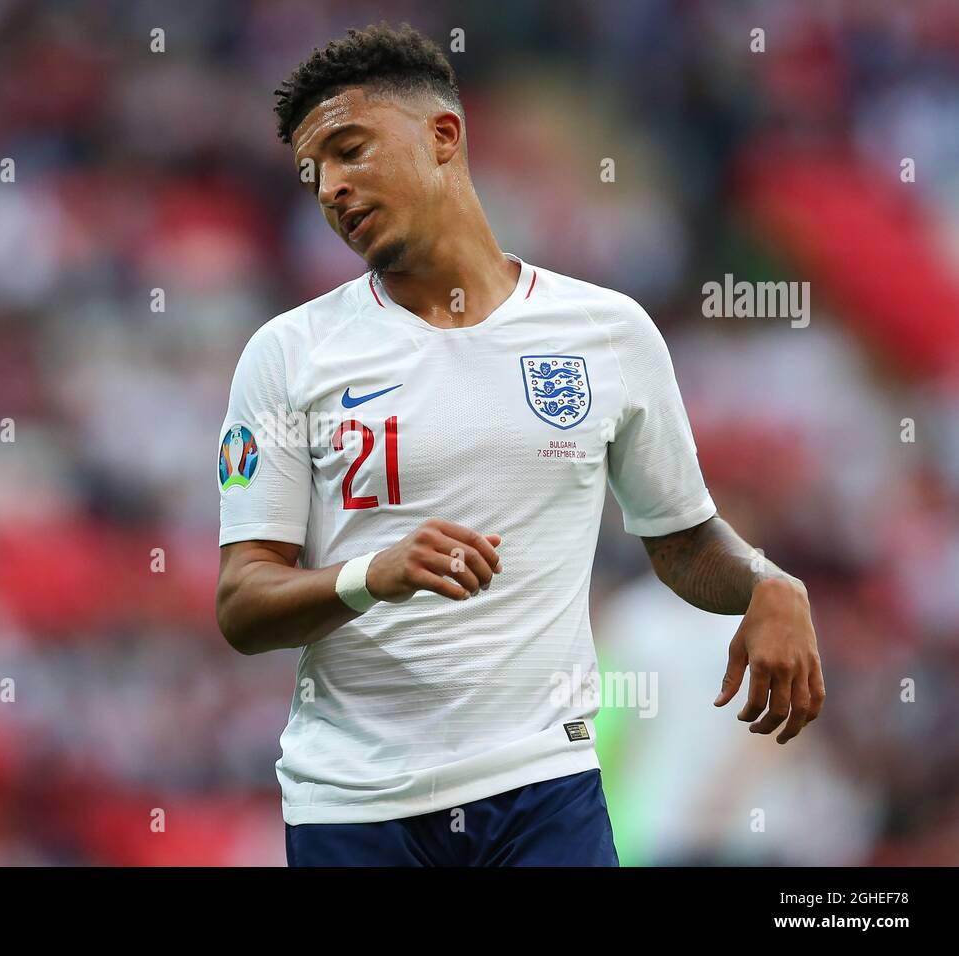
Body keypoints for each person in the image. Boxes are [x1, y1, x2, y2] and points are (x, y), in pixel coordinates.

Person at [214, 22, 823, 867]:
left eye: (351, 150)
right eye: (315, 174)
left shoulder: (607, 333)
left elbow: (680, 542)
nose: (333, 189)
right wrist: (370, 577)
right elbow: (241, 604)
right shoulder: (287, 354)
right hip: (352, 804)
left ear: (443, 136)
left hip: (545, 789)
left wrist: (767, 582)